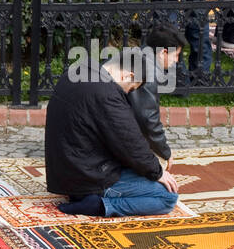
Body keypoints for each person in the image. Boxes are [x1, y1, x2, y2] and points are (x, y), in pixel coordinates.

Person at [46, 50, 180, 218]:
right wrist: (157, 172)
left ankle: (89, 196)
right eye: (131, 89)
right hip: (88, 178)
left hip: (65, 173)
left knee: (137, 168)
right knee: (167, 196)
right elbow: (130, 142)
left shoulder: (78, 71)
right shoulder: (106, 94)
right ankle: (99, 206)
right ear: (127, 76)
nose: (128, 93)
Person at [132, 24, 187, 168]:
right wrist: (165, 152)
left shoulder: (139, 54)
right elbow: (147, 120)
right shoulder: (148, 72)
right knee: (157, 166)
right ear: (163, 53)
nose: (176, 60)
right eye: (176, 55)